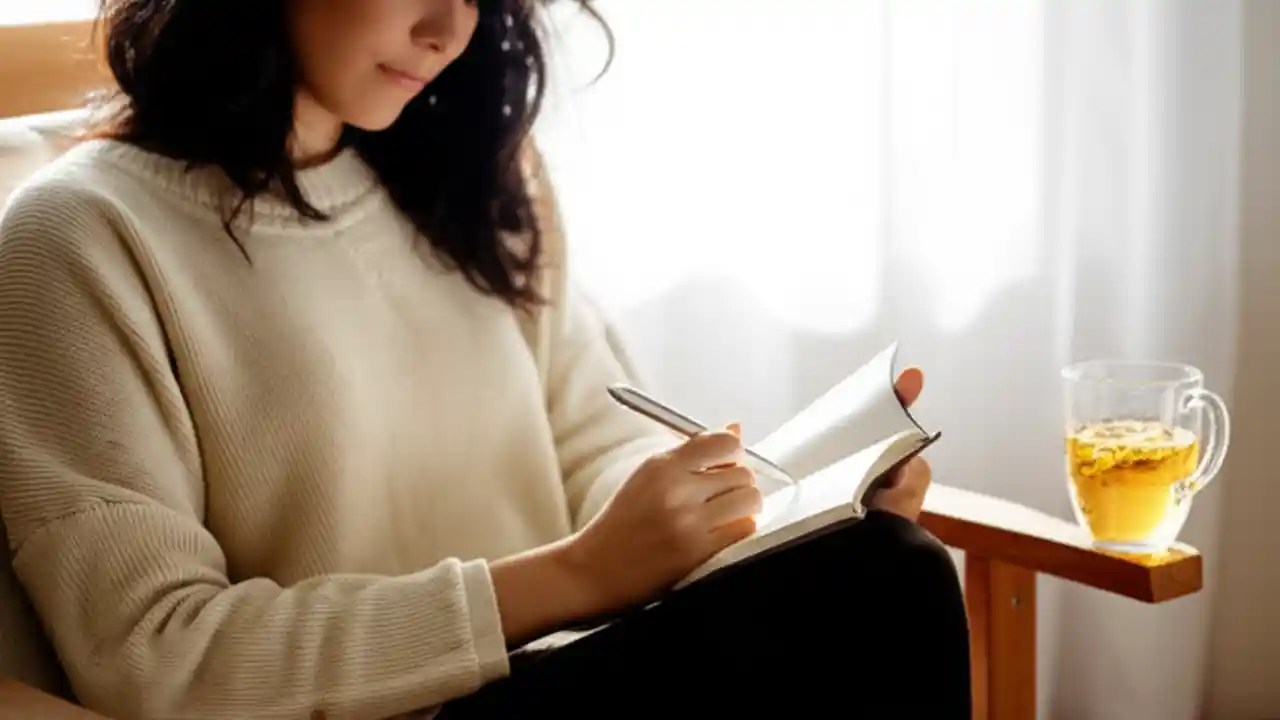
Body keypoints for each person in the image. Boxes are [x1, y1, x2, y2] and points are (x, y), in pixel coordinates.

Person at [0, 1, 970, 718]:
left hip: (566, 663)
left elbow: (598, 451)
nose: (448, 28)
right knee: (882, 584)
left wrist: (763, 515)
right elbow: (154, 657)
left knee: (864, 561)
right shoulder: (80, 236)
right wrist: (577, 574)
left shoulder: (465, 181)